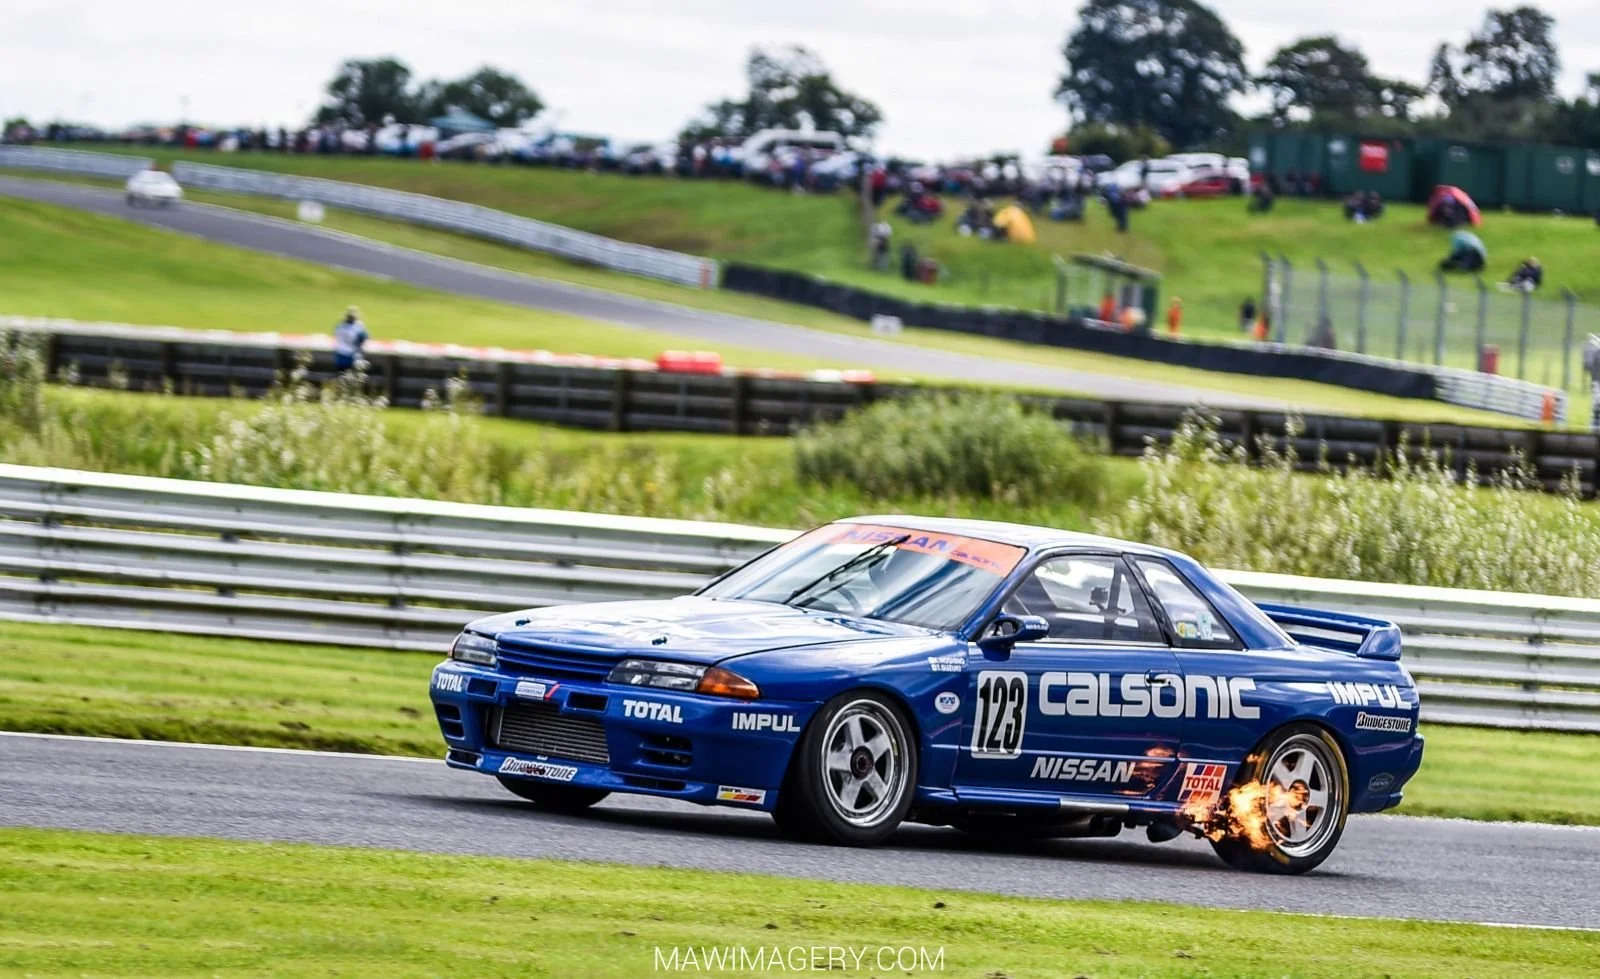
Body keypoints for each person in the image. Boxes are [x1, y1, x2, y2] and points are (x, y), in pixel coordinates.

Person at [332, 306, 369, 373]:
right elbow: (364, 338)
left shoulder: (339, 327)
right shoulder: (358, 328)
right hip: (351, 356)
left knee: (341, 374)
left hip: (340, 354)